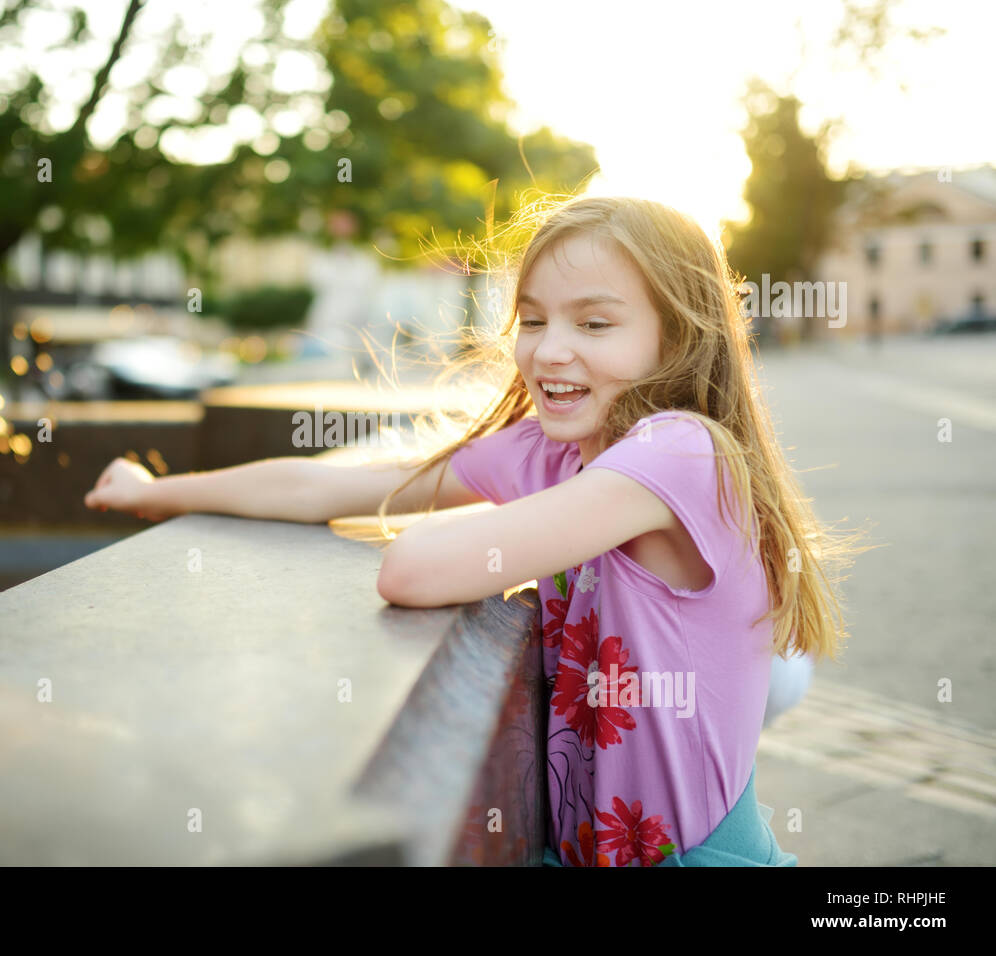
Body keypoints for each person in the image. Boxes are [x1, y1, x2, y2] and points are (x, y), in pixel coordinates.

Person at [83, 194, 870, 867]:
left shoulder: (681, 453)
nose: (549, 348)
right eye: (531, 319)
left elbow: (412, 572)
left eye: (595, 323)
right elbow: (332, 484)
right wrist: (160, 491)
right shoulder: (547, 454)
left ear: (677, 335)